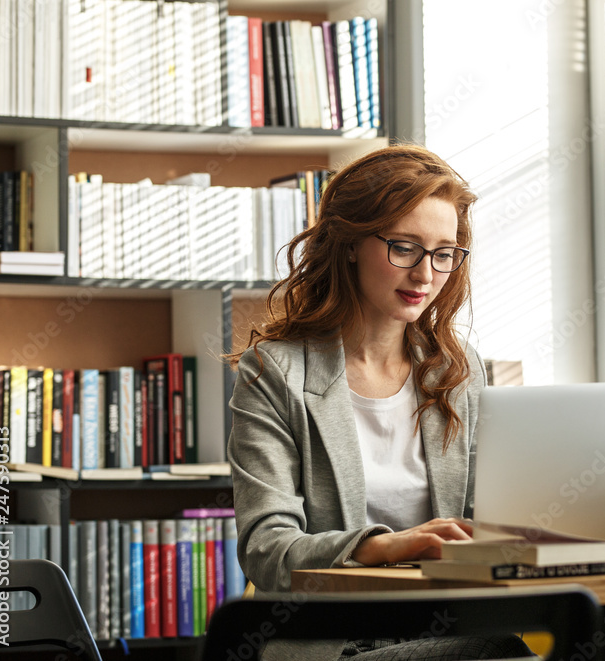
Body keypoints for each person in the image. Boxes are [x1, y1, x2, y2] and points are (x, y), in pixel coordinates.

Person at [226, 144, 533, 661]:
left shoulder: (458, 372)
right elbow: (266, 549)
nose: (425, 275)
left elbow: (487, 517)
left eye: (443, 253)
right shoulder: (274, 372)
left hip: (444, 625)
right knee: (500, 652)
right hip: (335, 641)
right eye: (404, 247)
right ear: (349, 243)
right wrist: (386, 544)